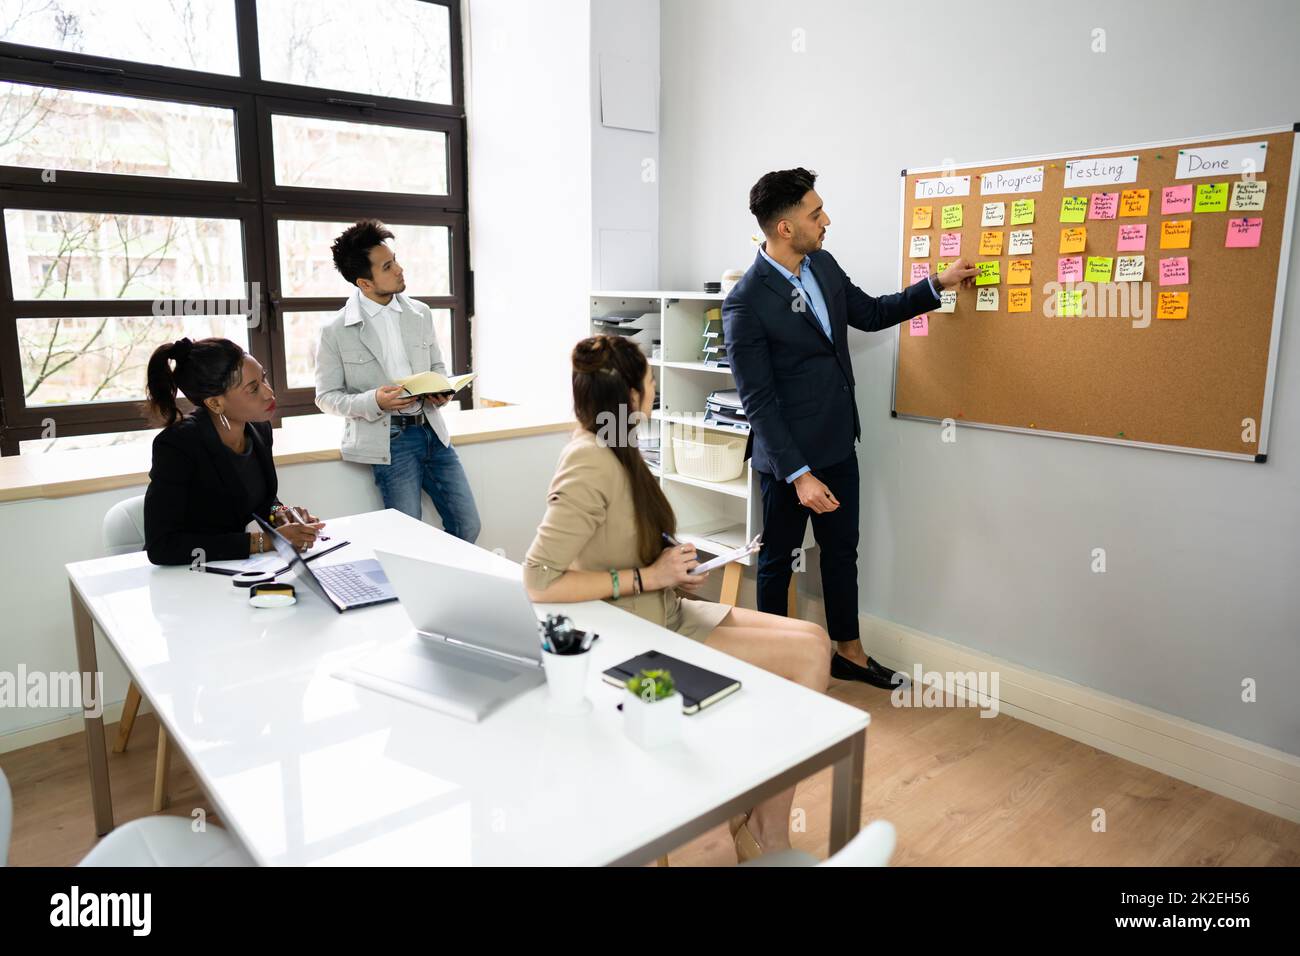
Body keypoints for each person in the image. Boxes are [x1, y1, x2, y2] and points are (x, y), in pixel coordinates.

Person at [523, 334, 832, 861]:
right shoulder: (589, 461)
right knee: (805, 656)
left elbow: (618, 535)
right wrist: (648, 576)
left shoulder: (617, 444)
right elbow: (538, 579)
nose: (655, 386)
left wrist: (670, 562)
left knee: (813, 640)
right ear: (631, 396)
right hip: (638, 627)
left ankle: (764, 813)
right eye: (649, 380)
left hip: (665, 606)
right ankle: (765, 822)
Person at [723, 167, 977, 688]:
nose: (826, 220)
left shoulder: (823, 264)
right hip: (788, 463)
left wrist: (939, 284)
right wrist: (798, 475)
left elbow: (872, 312)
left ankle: (850, 654)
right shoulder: (745, 302)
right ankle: (776, 666)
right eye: (816, 214)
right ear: (786, 228)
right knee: (777, 564)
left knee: (842, 554)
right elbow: (759, 401)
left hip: (838, 445)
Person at [314, 219, 480, 542]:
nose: (400, 269)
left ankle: (446, 586)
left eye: (395, 260)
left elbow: (436, 366)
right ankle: (419, 591)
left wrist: (441, 391)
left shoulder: (420, 313)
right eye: (388, 266)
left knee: (468, 525)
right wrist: (375, 400)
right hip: (390, 440)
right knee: (408, 538)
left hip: (433, 431)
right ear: (364, 283)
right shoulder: (334, 331)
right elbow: (326, 397)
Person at [143, 337, 322, 566]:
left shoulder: (259, 428)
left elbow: (264, 501)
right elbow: (162, 547)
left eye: (264, 378)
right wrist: (265, 541)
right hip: (187, 577)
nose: (269, 393)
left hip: (234, 569)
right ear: (215, 404)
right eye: (253, 388)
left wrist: (282, 514)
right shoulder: (177, 445)